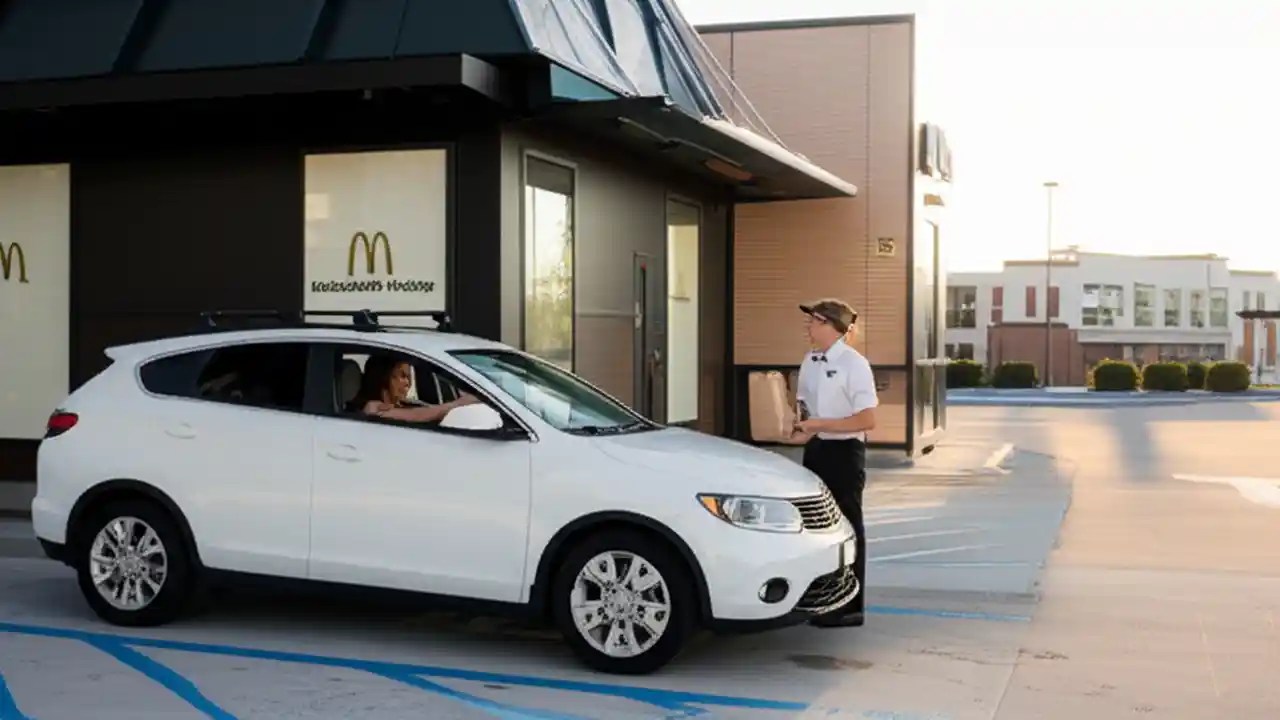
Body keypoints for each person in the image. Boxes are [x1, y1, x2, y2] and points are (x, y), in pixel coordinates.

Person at [790, 298, 877, 628]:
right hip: (816, 450)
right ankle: (821, 597)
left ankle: (850, 606)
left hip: (844, 454)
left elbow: (867, 419)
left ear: (832, 327)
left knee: (848, 527)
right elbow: (806, 412)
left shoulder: (855, 364)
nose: (808, 326)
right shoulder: (810, 360)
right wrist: (799, 431)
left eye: (814, 320)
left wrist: (819, 425)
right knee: (816, 526)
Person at [357, 353, 479, 423]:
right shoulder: (373, 407)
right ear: (383, 376)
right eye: (403, 376)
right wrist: (457, 405)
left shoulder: (408, 404)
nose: (408, 383)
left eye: (409, 377)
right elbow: (417, 416)